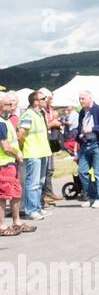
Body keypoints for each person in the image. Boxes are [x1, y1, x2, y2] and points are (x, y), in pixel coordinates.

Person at [17, 91, 52, 222]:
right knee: (32, 183)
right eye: (43, 98)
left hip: (43, 152)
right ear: (36, 102)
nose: (46, 100)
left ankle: (37, 207)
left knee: (40, 182)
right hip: (33, 153)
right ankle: (31, 210)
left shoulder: (40, 114)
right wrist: (22, 149)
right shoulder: (28, 115)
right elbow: (21, 134)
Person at [74, 91, 99, 209]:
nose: (81, 101)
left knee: (98, 173)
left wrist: (93, 129)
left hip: (97, 144)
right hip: (85, 144)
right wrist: (79, 135)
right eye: (79, 99)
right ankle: (90, 196)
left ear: (90, 98)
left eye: (83, 98)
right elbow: (80, 127)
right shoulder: (82, 112)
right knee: (82, 171)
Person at [0, 95, 30, 236]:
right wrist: (16, 154)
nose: (10, 107)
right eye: (7, 104)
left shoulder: (5, 121)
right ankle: (2, 226)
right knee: (3, 196)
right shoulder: (1, 123)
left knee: (15, 193)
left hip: (10, 163)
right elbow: (5, 147)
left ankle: (16, 222)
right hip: (4, 164)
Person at [39, 88, 60, 205]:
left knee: (50, 169)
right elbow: (42, 126)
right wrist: (53, 123)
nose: (51, 101)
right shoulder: (40, 110)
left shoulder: (49, 109)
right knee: (45, 170)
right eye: (49, 98)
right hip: (43, 142)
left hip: (50, 142)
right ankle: (45, 195)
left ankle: (48, 192)